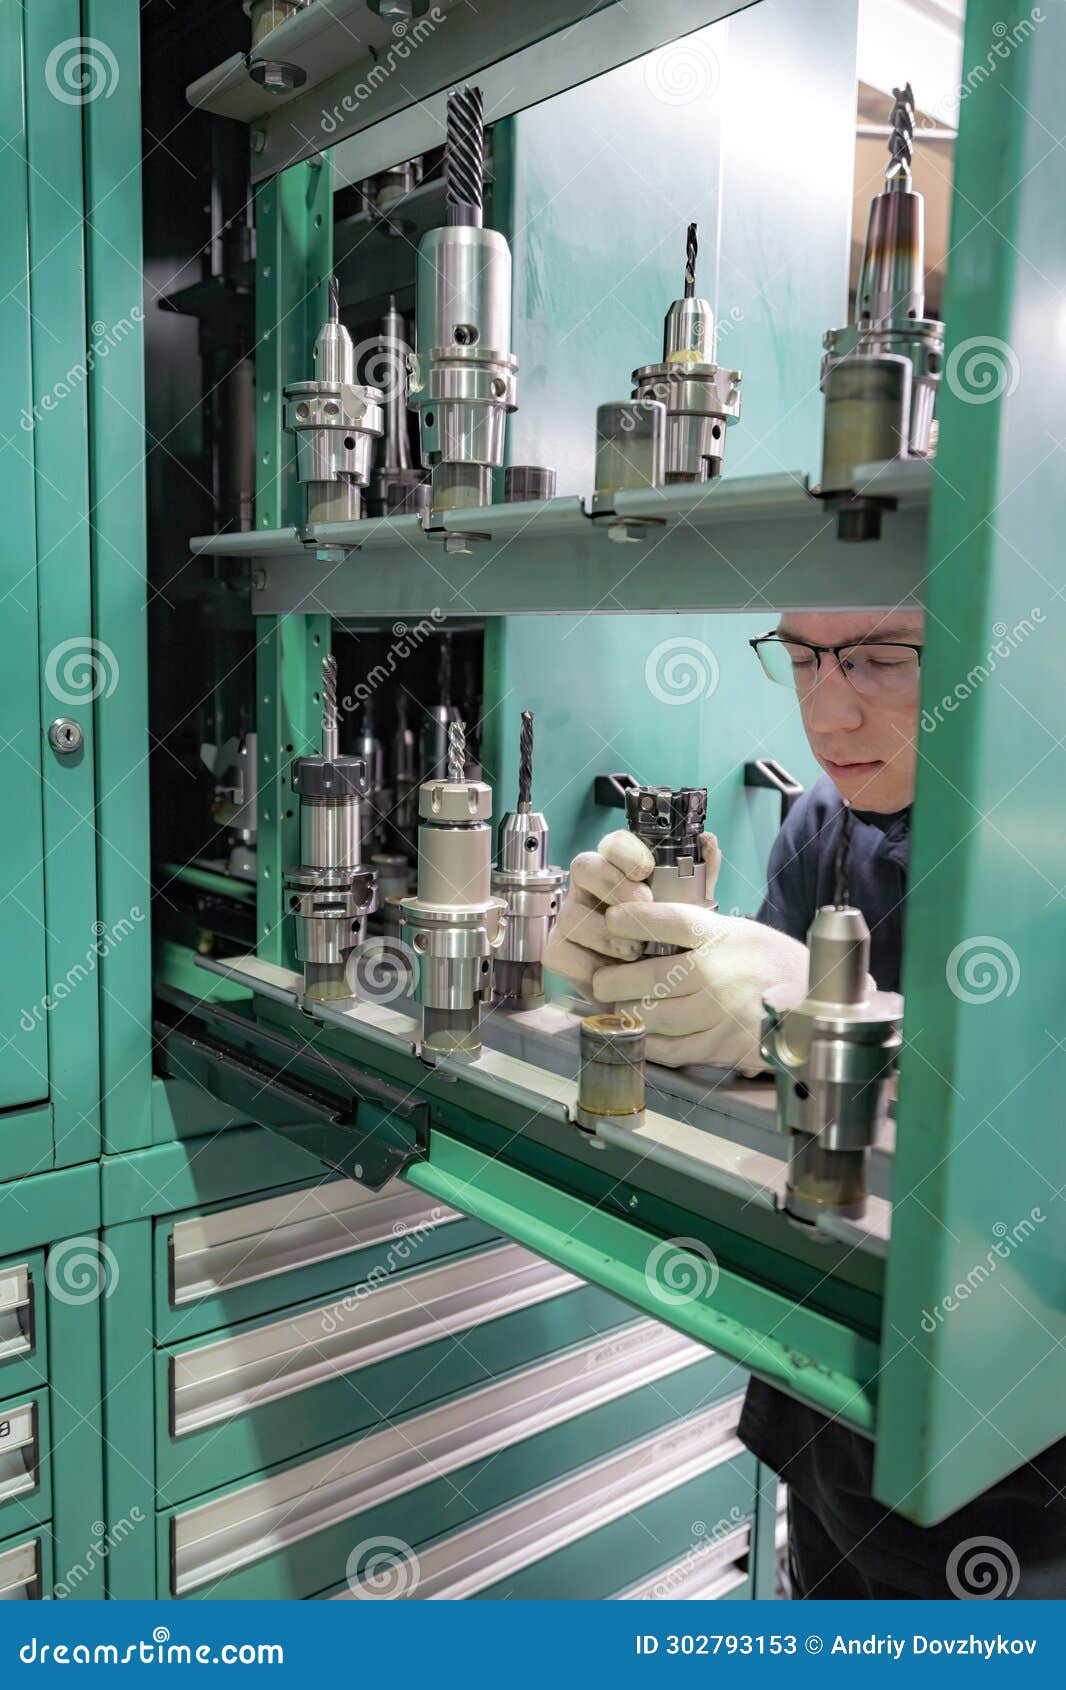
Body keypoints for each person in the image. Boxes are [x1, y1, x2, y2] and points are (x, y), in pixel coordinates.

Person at [544, 609, 1065, 1599]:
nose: (828, 712)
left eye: (878, 659)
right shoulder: (822, 828)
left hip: (1028, 1485)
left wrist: (844, 1023)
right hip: (833, 1422)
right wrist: (644, 974)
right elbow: (758, 1083)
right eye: (798, 658)